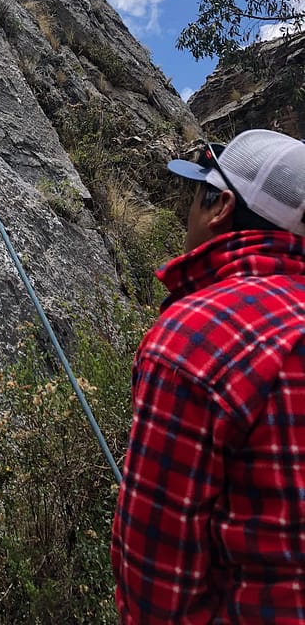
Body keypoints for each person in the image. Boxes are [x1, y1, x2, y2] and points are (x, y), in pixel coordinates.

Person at [112, 129, 305, 624]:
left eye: (195, 196)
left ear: (220, 206)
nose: (186, 215)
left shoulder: (194, 337)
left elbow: (156, 587)